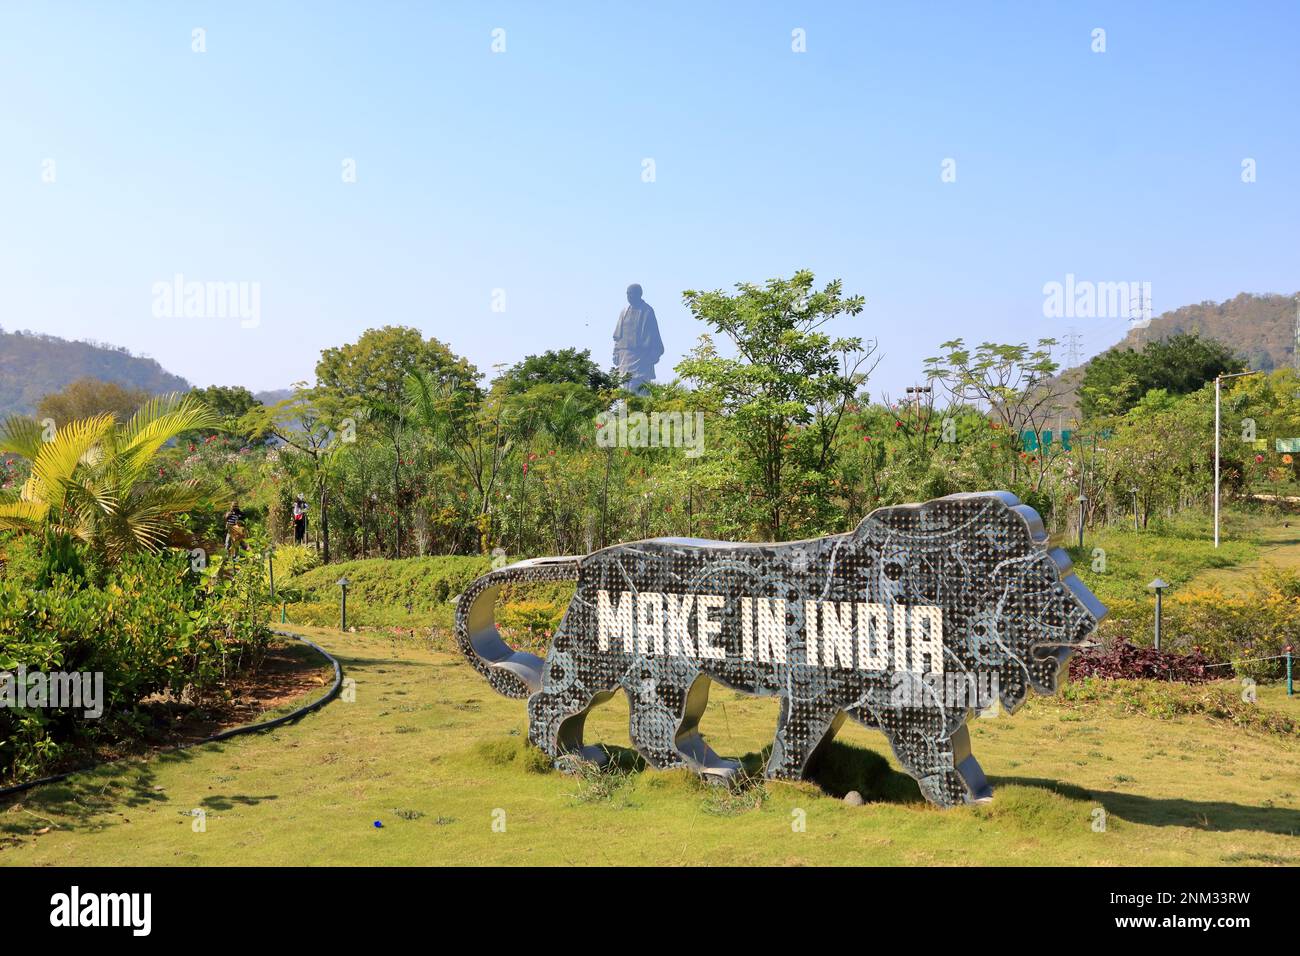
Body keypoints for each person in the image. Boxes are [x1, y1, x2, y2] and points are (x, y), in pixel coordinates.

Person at [612, 283, 664, 394]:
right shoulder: (624, 311)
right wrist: (615, 352)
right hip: (624, 358)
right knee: (625, 390)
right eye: (627, 294)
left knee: (640, 391)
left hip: (641, 357)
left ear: (639, 294)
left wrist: (652, 355)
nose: (629, 296)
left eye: (631, 294)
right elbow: (617, 337)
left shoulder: (647, 311)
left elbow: (654, 335)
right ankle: (626, 411)